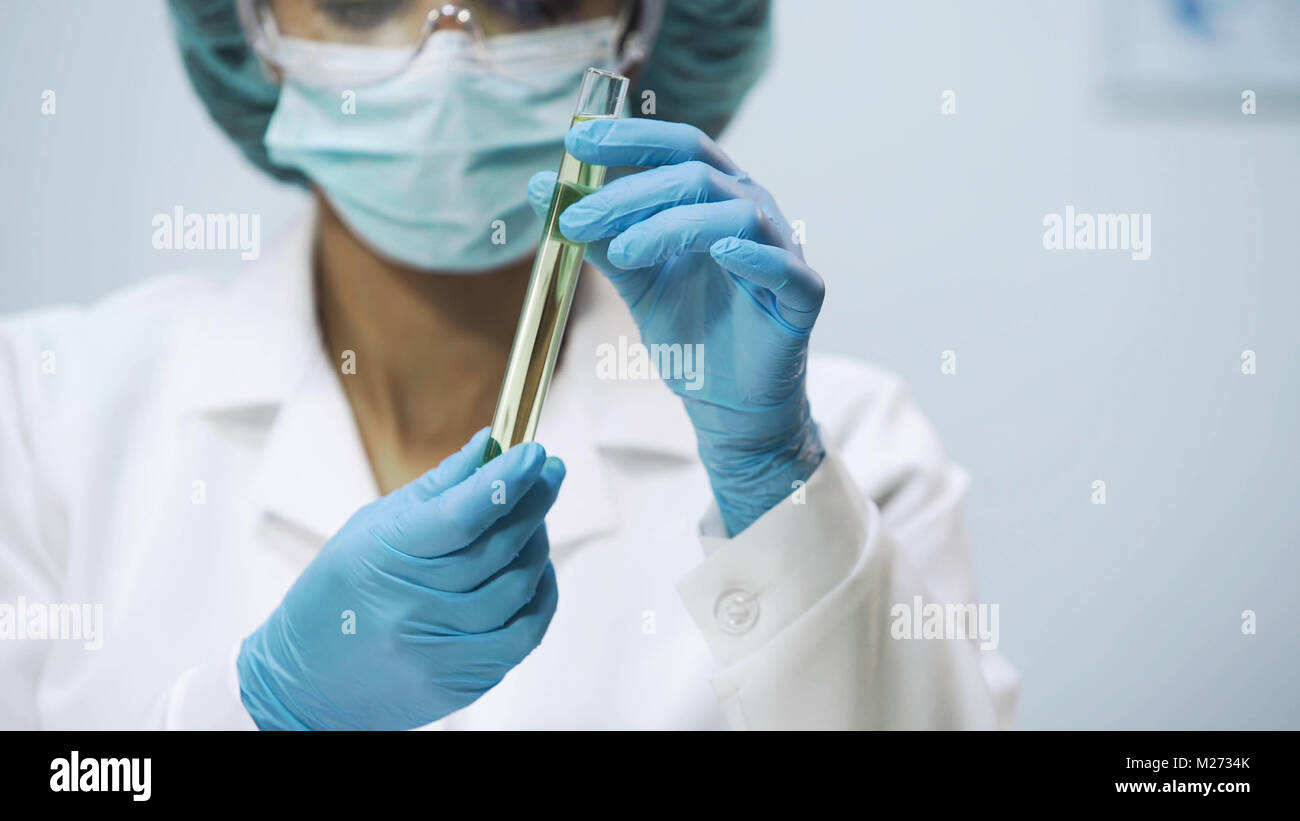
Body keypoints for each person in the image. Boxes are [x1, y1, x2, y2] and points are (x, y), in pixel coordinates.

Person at [0, 0, 1017, 729]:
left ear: (641, 26)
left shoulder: (853, 448)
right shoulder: (42, 415)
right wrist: (261, 715)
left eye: (530, 2)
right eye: (359, 3)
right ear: (251, 28)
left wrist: (774, 485)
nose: (450, 53)